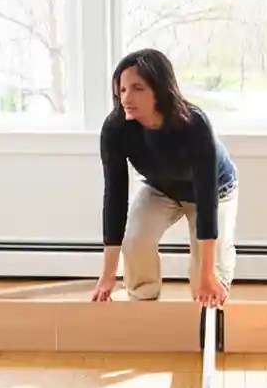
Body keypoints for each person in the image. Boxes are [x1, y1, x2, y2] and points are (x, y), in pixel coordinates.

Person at [91, 48, 239, 308]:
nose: (127, 97)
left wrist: (207, 276)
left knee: (207, 281)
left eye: (137, 88)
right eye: (122, 89)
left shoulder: (194, 125)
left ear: (159, 90)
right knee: (135, 240)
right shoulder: (115, 129)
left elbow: (207, 201)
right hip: (162, 188)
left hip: (214, 190)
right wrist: (108, 275)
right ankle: (143, 297)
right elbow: (114, 198)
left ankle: (211, 300)